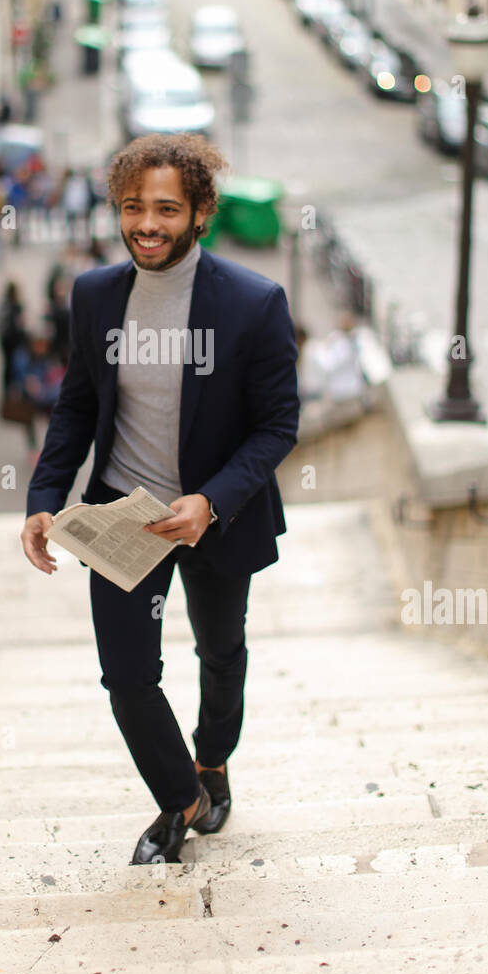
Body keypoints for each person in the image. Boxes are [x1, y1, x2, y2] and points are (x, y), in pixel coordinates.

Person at [20, 132, 300, 864]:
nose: (147, 223)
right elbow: (77, 406)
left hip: (215, 519)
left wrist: (211, 500)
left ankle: (212, 761)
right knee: (128, 676)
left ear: (201, 212)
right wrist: (44, 498)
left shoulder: (254, 304)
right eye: (133, 207)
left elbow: (278, 427)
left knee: (220, 650)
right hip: (122, 519)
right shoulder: (95, 296)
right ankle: (179, 799)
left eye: (167, 209)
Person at [0, 281, 29, 396]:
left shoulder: (7, 304)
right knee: (11, 364)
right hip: (11, 340)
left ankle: (9, 390)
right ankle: (9, 391)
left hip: (7, 339)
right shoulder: (11, 305)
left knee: (9, 364)